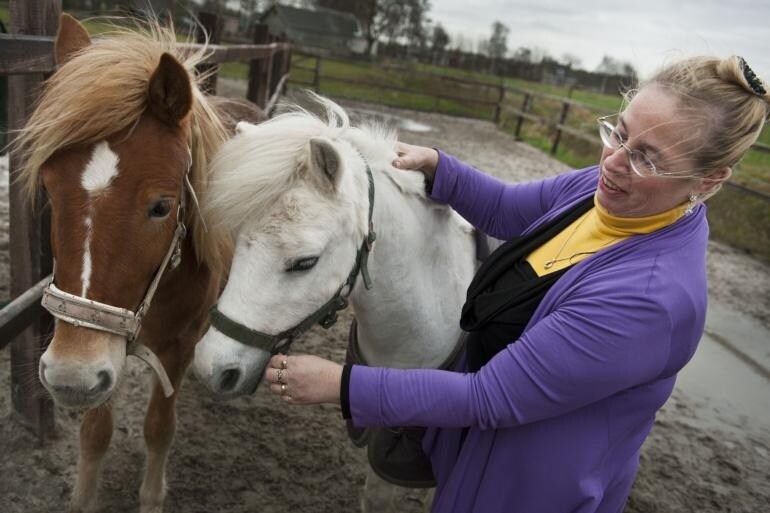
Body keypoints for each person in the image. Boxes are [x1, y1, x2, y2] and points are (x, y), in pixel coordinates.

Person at [262, 55, 769, 512]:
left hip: (528, 481)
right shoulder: (601, 193)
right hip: (487, 444)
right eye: (619, 133)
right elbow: (508, 209)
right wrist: (440, 167)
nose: (613, 162)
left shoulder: (649, 300)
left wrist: (342, 385)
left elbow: (489, 398)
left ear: (708, 181)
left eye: (647, 158)